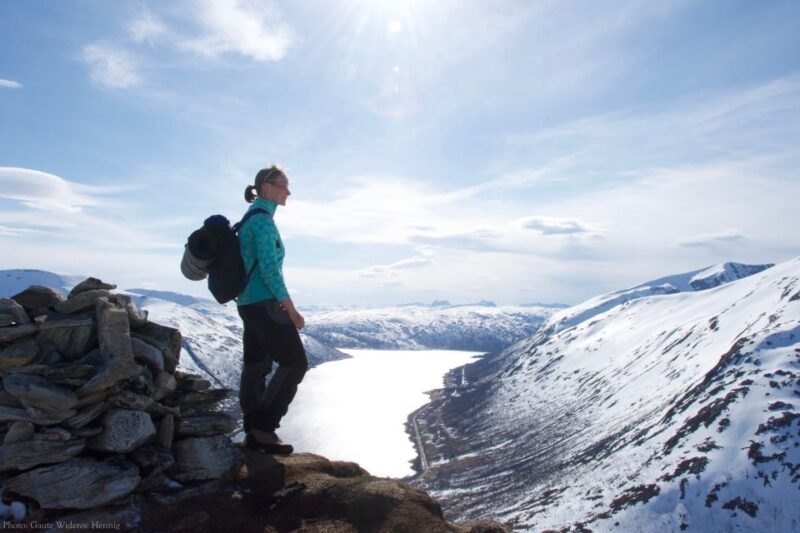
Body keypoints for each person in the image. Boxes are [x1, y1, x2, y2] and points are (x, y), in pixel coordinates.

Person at [236, 165, 307, 454]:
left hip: (248, 304)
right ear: (266, 187)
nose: (288, 191)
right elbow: (269, 271)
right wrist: (292, 311)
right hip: (266, 305)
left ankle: (252, 431)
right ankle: (263, 429)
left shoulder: (250, 218)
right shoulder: (263, 222)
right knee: (295, 363)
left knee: (257, 366)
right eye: (283, 185)